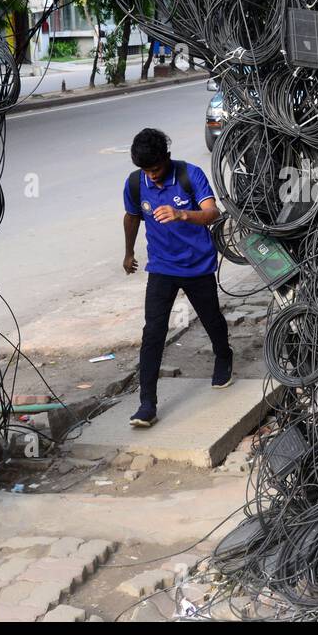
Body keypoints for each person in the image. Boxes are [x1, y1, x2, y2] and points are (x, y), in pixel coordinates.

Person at [122, 127, 232, 427]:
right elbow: (132, 217)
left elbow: (213, 213)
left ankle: (224, 356)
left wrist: (183, 214)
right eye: (146, 170)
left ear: (167, 159)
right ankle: (147, 404)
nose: (152, 176)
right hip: (161, 268)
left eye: (156, 169)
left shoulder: (189, 175)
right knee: (153, 332)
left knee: (212, 320)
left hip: (198, 265)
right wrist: (129, 252)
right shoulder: (135, 183)